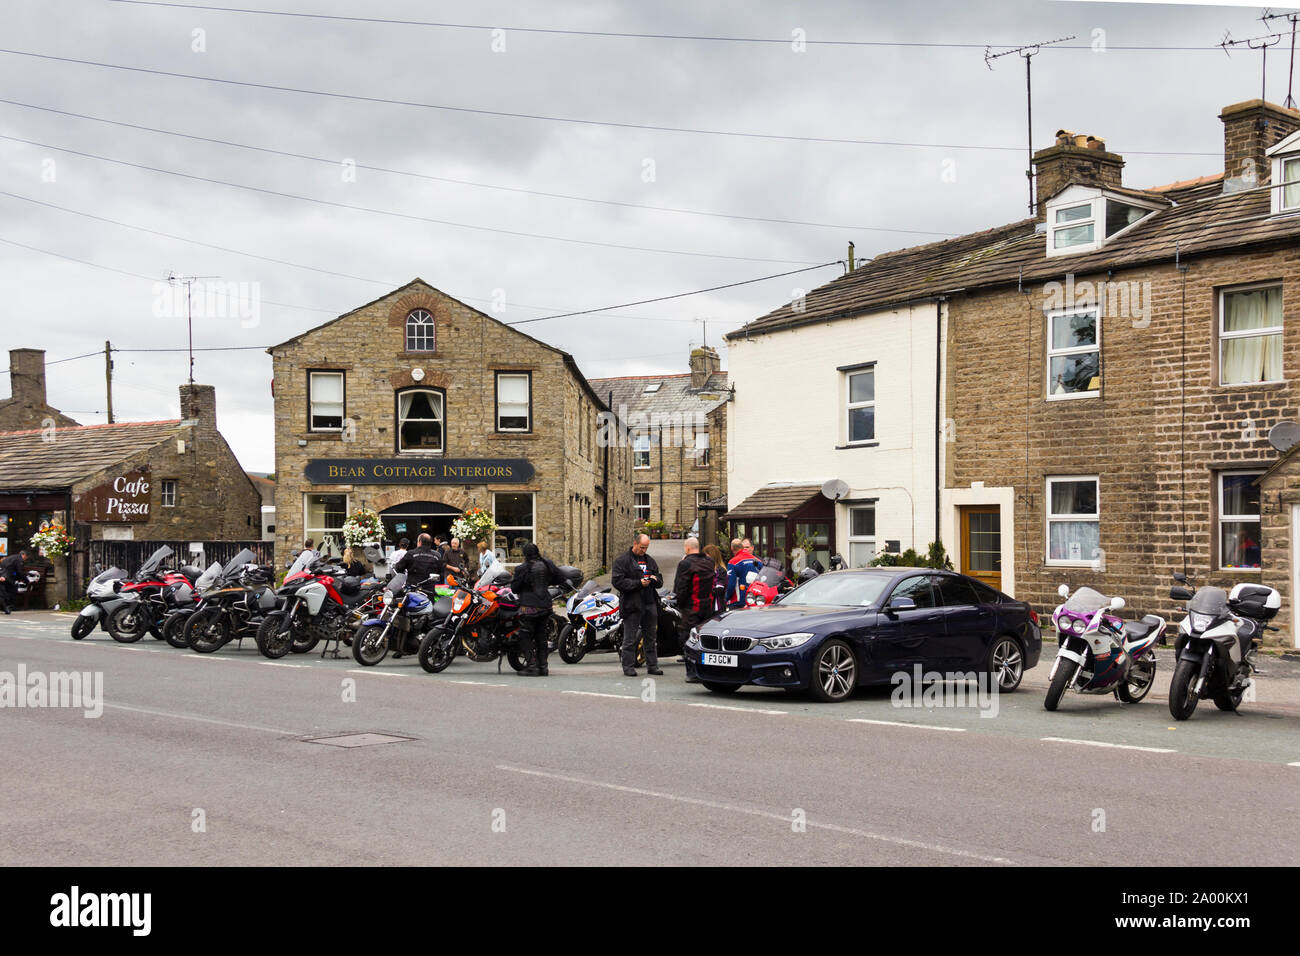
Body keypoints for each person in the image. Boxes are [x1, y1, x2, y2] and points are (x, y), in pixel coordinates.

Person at [612, 533, 663, 677]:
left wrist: (655, 580)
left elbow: (660, 579)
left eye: (646, 548)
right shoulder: (622, 561)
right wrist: (638, 583)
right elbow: (617, 582)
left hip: (649, 602)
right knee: (630, 638)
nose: (644, 551)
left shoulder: (650, 561)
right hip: (632, 604)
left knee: (651, 638)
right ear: (635, 543)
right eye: (642, 547)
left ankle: (652, 666)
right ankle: (628, 667)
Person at [510, 543, 562, 676]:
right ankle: (543, 666)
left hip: (528, 607)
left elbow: (514, 588)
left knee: (525, 635)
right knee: (541, 636)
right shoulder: (547, 564)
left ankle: (532, 665)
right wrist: (546, 582)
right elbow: (559, 577)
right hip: (545, 604)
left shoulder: (522, 568)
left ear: (525, 554)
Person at [392, 534, 444, 658]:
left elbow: (399, 568)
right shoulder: (437, 555)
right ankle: (429, 644)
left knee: (404, 616)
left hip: (412, 590)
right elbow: (441, 573)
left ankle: (401, 647)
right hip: (428, 591)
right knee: (428, 620)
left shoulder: (411, 553)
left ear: (419, 542)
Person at [674, 538, 717, 679]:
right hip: (708, 606)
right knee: (704, 639)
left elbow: (681, 587)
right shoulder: (710, 562)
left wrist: (679, 603)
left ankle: (692, 672)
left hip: (692, 607)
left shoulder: (686, 563)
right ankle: (707, 670)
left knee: (688, 639)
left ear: (687, 548)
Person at [727, 538, 763, 609]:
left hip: (738, 602)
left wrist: (726, 598)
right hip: (754, 600)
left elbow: (731, 585)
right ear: (742, 547)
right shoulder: (758, 561)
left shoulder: (733, 562)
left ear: (731, 548)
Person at [701, 544, 729, 616]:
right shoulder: (704, 570)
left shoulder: (721, 571)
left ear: (713, 557)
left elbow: (719, 590)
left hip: (717, 608)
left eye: (706, 557)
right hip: (705, 608)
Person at [0, 549, 28, 614]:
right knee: (11, 590)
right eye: (26, 557)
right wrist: (26, 580)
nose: (25, 559)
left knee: (4, 592)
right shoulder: (19, 559)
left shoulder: (12, 557)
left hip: (3, 575)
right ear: (23, 555)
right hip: (8, 576)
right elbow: (19, 571)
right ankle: (9, 606)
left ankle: (6, 607)